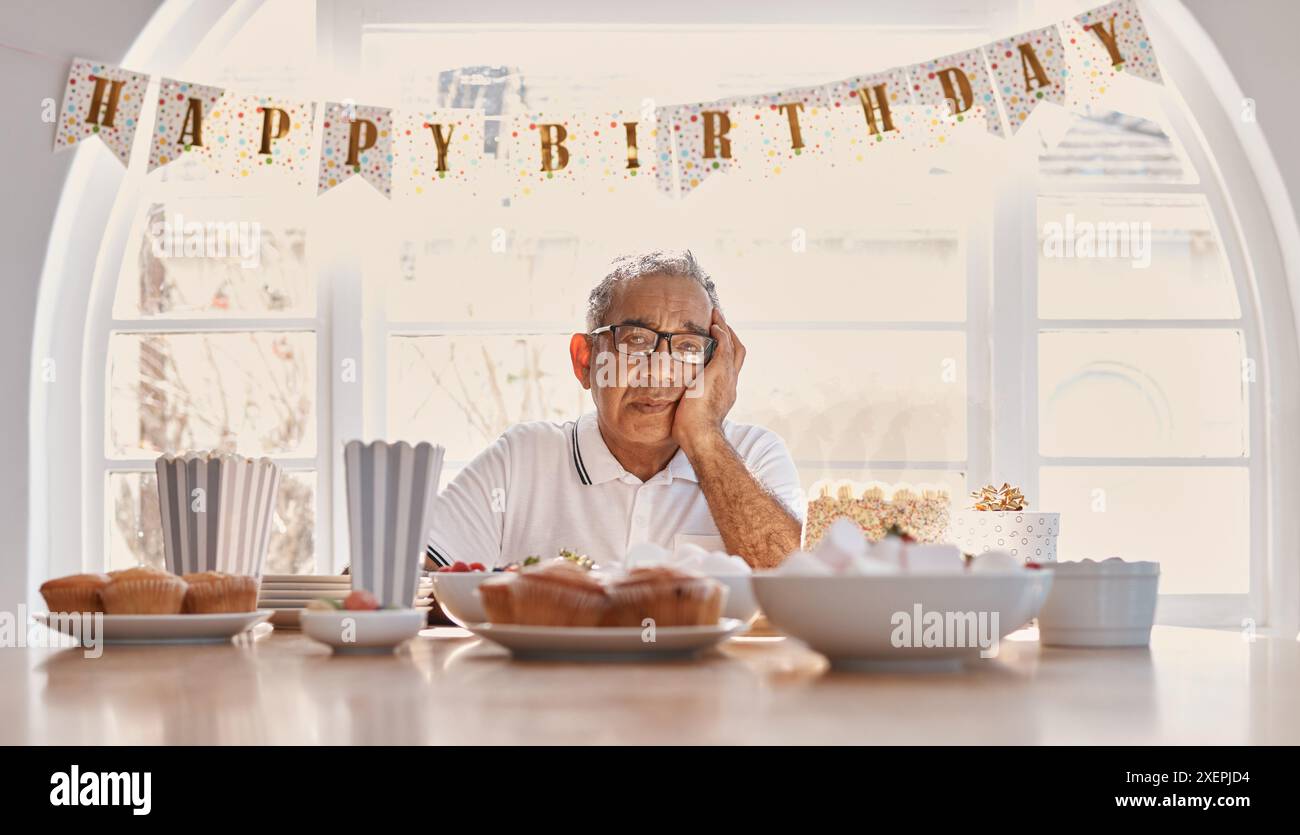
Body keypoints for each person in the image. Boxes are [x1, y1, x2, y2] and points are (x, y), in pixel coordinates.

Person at [426, 250, 802, 570]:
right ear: (585, 361)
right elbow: (420, 585)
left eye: (688, 346)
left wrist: (704, 437)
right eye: (635, 340)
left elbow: (796, 589)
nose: (659, 369)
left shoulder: (753, 454)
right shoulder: (522, 458)